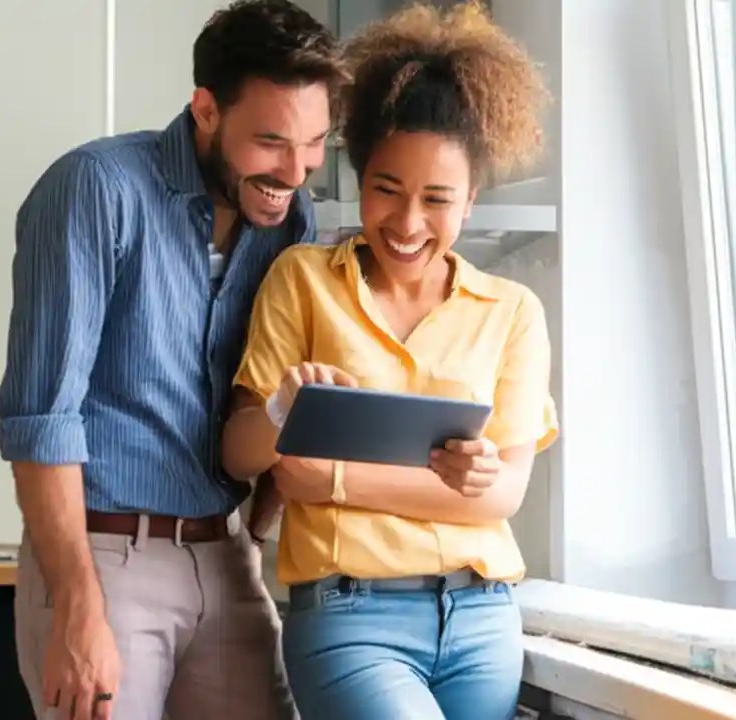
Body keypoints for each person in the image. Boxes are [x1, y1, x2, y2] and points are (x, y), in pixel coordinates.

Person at [0, 2, 347, 719]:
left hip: (226, 556)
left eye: (315, 144)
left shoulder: (290, 221)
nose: (295, 171)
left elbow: (270, 392)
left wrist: (257, 536)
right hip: (107, 556)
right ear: (206, 110)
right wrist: (78, 606)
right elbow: (42, 419)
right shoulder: (97, 189)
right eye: (271, 141)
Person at [220, 3, 557, 718]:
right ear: (359, 174)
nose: (407, 224)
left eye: (437, 199)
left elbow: (502, 497)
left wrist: (333, 478)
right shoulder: (303, 281)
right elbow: (241, 453)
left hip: (483, 618)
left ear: (470, 200)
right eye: (386, 190)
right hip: (348, 617)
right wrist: (281, 411)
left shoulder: (513, 313)